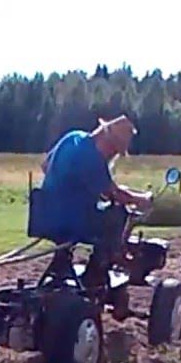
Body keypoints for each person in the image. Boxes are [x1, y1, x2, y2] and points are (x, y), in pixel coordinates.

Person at [33, 115, 153, 271]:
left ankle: (62, 261)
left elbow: (45, 165)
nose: (113, 156)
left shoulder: (72, 137)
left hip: (46, 215)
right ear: (109, 143)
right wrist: (142, 199)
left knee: (91, 211)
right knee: (117, 213)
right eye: (115, 151)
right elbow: (115, 194)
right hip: (72, 221)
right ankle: (101, 266)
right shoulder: (93, 158)